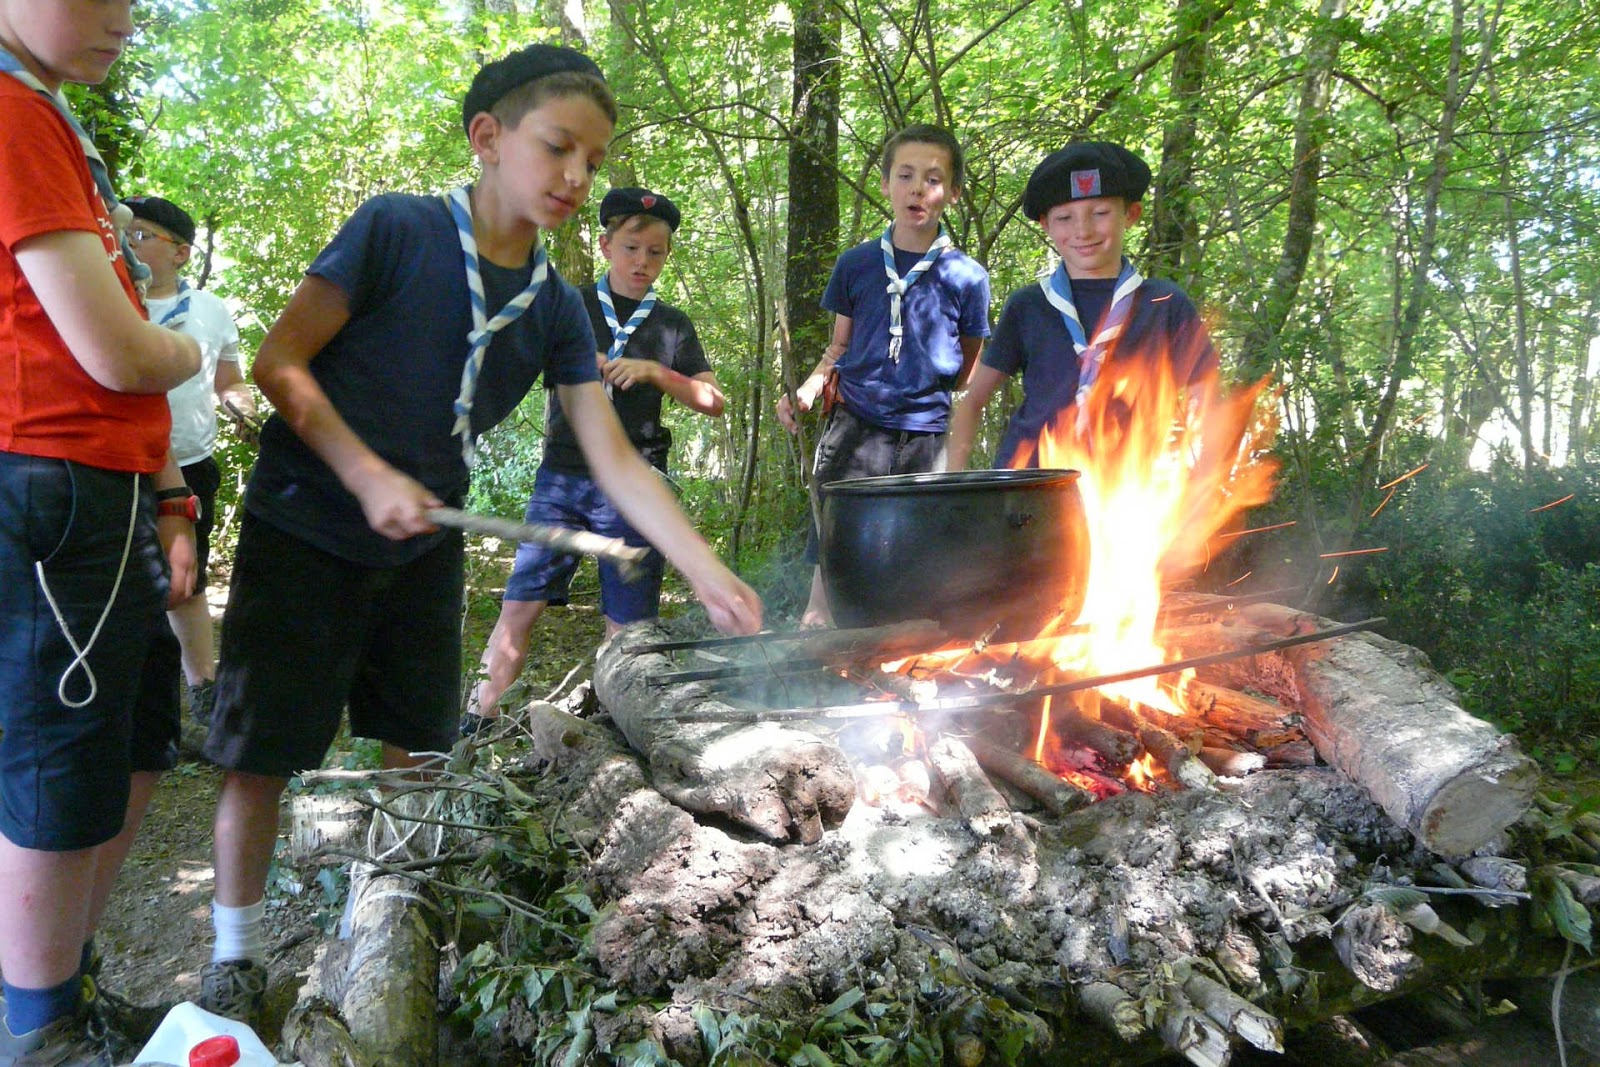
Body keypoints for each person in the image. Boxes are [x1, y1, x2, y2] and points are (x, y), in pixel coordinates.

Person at [198, 44, 762, 1027]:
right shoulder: (397, 229)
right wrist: (364, 471)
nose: (577, 176)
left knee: (417, 744)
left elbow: (615, 456)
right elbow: (282, 360)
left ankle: (392, 922)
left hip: (424, 539)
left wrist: (704, 567)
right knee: (262, 755)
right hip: (306, 521)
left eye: (593, 159)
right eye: (559, 147)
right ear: (488, 137)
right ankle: (233, 954)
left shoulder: (556, 305)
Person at [0, 3, 204, 1063]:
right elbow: (119, 355)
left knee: (124, 740)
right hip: (55, 488)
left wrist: (170, 495)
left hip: (107, 487)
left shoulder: (47, 114)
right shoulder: (13, 113)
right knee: (57, 761)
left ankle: (59, 987)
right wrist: (186, 351)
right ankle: (37, 1030)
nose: (123, 18)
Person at [463, 186, 725, 732]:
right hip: (562, 479)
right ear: (606, 246)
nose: (642, 262)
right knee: (519, 608)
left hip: (637, 488)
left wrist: (657, 372)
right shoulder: (570, 303)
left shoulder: (672, 324)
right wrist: (581, 361)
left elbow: (713, 401)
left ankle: (619, 737)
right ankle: (474, 727)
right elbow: (517, 360)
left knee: (629, 632)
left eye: (655, 252)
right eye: (631, 248)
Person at [775, 124, 991, 626]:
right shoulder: (856, 264)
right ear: (885, 183)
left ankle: (902, 639)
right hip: (857, 423)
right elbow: (838, 347)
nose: (918, 189)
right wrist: (807, 390)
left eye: (933, 179)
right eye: (905, 175)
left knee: (919, 540)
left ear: (953, 193)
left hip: (925, 432)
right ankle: (818, 617)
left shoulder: (967, 276)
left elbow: (967, 366)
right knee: (835, 528)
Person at [947, 142, 1217, 473]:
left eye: (1100, 213)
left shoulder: (1163, 304)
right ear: (1046, 225)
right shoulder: (1029, 306)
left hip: (1130, 486)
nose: (1083, 231)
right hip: (1032, 485)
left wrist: (1203, 478)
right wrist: (952, 481)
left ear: (1131, 214)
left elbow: (1205, 399)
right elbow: (974, 400)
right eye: (1064, 218)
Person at [123, 194, 258, 727]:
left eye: (140, 234)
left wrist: (243, 409)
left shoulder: (211, 310)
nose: (127, 241)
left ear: (180, 253)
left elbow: (229, 380)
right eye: (122, 231)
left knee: (188, 578)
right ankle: (130, 701)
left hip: (192, 462)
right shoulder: (108, 299)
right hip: (122, 464)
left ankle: (202, 690)